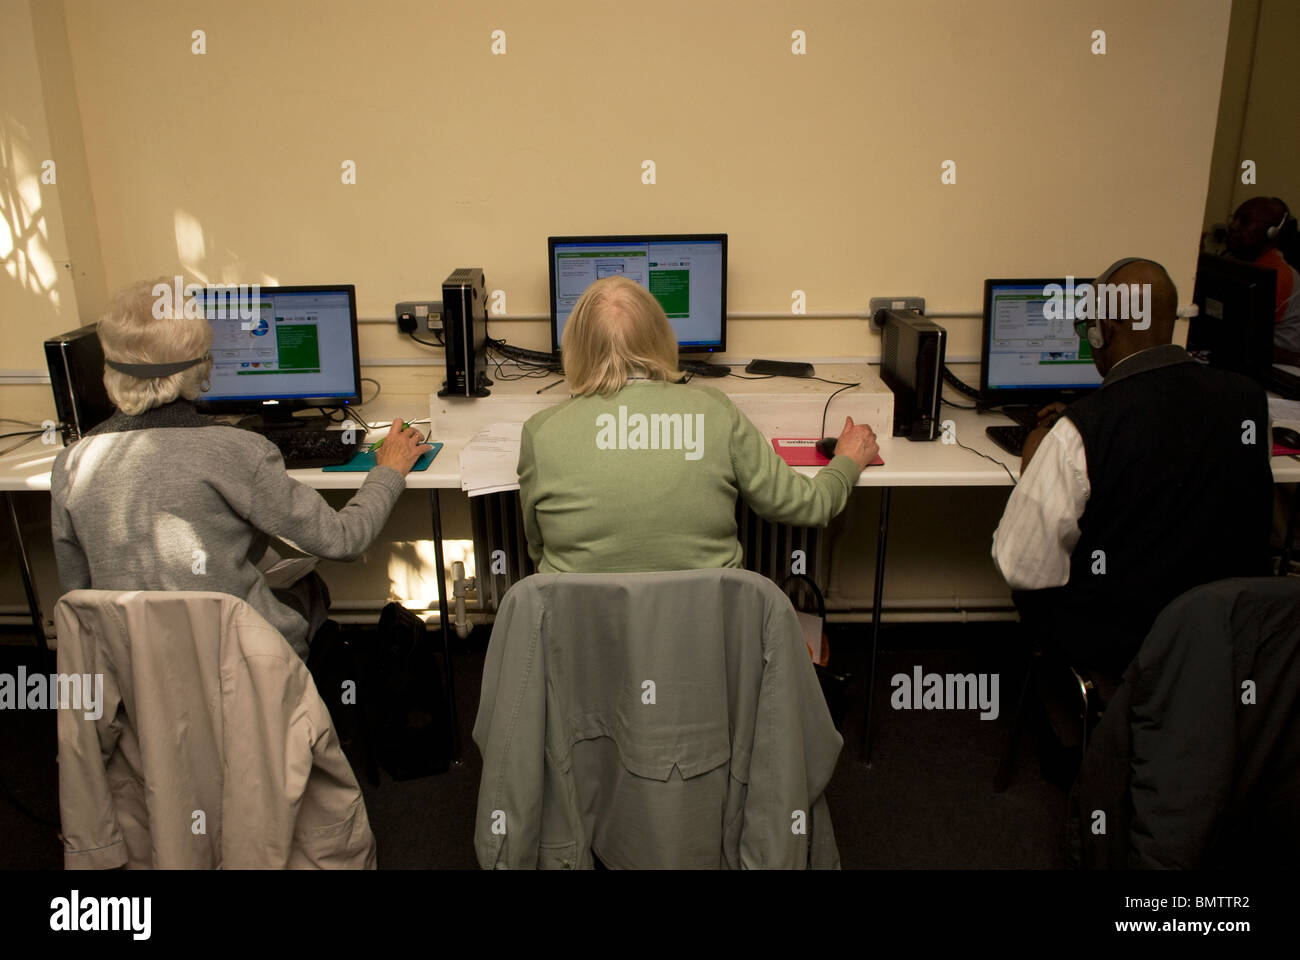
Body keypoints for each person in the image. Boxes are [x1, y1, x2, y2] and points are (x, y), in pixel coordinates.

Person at [49, 280, 431, 660]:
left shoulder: (72, 463)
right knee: (307, 587)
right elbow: (344, 540)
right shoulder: (235, 450)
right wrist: (390, 469)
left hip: (132, 671)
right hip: (239, 665)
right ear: (201, 367)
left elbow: (80, 596)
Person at [991, 258, 1274, 704]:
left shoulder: (1083, 430)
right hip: (1227, 634)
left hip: (1120, 644)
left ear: (1102, 328)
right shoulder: (1247, 399)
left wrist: (1037, 453)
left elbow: (1022, 568)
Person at [517, 275, 878, 573]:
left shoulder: (541, 432)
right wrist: (846, 461)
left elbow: (539, 548)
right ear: (661, 337)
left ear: (576, 346)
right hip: (706, 640)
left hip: (585, 641)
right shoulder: (715, 412)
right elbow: (808, 505)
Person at [1225, 196, 1300, 366]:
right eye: (1234, 219)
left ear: (1271, 232)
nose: (1233, 226)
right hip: (1249, 357)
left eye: (1244, 222)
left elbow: (1240, 331)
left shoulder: (1278, 274)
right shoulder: (1239, 262)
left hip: (1281, 366)